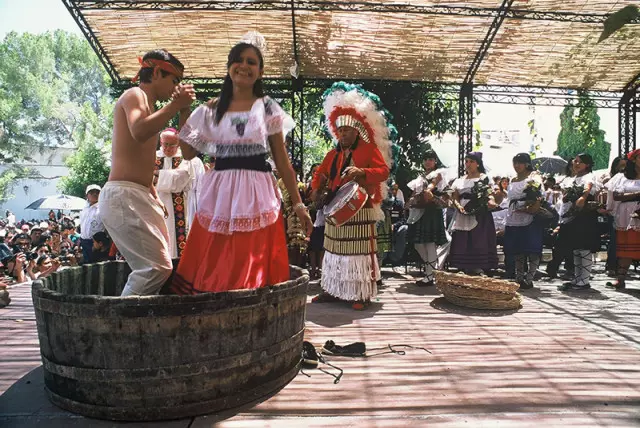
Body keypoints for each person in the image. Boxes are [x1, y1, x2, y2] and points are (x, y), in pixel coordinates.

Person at [170, 33, 312, 295]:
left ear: (260, 72)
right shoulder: (211, 109)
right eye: (238, 60)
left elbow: (281, 159)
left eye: (251, 62)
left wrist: (299, 204)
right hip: (220, 194)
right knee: (217, 259)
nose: (244, 66)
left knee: (253, 260)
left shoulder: (267, 108)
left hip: (257, 192)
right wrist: (182, 110)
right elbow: (188, 153)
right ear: (229, 67)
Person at [98, 49, 195, 296]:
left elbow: (186, 151)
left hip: (140, 195)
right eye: (174, 80)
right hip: (124, 195)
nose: (176, 87)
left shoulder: (152, 107)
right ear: (156, 73)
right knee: (155, 268)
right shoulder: (135, 94)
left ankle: (132, 328)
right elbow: (139, 131)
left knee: (160, 267)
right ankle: (118, 327)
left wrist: (184, 111)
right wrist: (176, 104)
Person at [310, 82, 392, 310]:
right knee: (334, 251)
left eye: (347, 130)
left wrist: (362, 172)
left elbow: (384, 171)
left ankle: (360, 295)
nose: (343, 134)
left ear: (356, 131)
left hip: (360, 210)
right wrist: (317, 189)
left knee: (357, 253)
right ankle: (331, 290)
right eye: (340, 130)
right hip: (335, 211)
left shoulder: (368, 150)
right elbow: (321, 174)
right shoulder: (332, 154)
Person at [154, 127, 206, 258]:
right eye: (165, 144)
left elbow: (179, 180)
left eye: (172, 145)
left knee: (178, 245)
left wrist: (155, 177)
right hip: (155, 206)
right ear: (161, 142)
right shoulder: (152, 157)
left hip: (181, 210)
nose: (168, 148)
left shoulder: (186, 159)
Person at [448, 152, 499, 275]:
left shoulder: (483, 178)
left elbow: (490, 194)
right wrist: (459, 206)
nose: (468, 164)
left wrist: (490, 201)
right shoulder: (460, 180)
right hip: (463, 212)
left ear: (477, 164)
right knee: (463, 238)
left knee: (478, 238)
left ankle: (478, 265)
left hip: (479, 213)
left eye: (471, 161)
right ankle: (463, 265)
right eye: (466, 161)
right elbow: (454, 196)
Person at [557, 153, 600, 291]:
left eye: (579, 162)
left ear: (587, 164)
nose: (576, 164)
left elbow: (588, 187)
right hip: (573, 215)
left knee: (584, 247)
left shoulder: (589, 177)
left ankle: (584, 279)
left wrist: (583, 197)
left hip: (585, 216)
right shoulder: (572, 178)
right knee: (576, 248)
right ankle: (577, 277)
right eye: (575, 161)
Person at [406, 149, 449, 286]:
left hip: (432, 212)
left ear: (435, 161)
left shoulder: (438, 174)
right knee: (418, 243)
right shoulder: (419, 178)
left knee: (430, 243)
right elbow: (413, 194)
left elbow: (434, 187)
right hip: (419, 213)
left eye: (430, 159)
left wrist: (429, 192)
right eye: (425, 159)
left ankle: (429, 275)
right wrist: (410, 202)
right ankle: (432, 269)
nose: (427, 162)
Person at [503, 153, 545, 289]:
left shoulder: (534, 177)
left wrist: (531, 205)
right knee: (518, 249)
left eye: (520, 163)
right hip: (514, 215)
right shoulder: (513, 179)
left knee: (531, 248)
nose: (516, 166)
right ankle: (519, 276)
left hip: (529, 216)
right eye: (514, 163)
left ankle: (530, 277)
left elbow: (538, 194)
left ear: (527, 164)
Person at [606, 150, 640, 289]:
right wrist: (637, 193)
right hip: (626, 216)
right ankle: (621, 279)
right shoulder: (622, 177)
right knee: (626, 247)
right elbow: (617, 196)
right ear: (633, 160)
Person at [79, 184, 105, 264]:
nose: (95, 194)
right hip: (84, 242)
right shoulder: (84, 209)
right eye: (92, 192)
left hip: (96, 243)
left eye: (97, 192)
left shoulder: (103, 208)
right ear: (87, 195)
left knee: (95, 266)